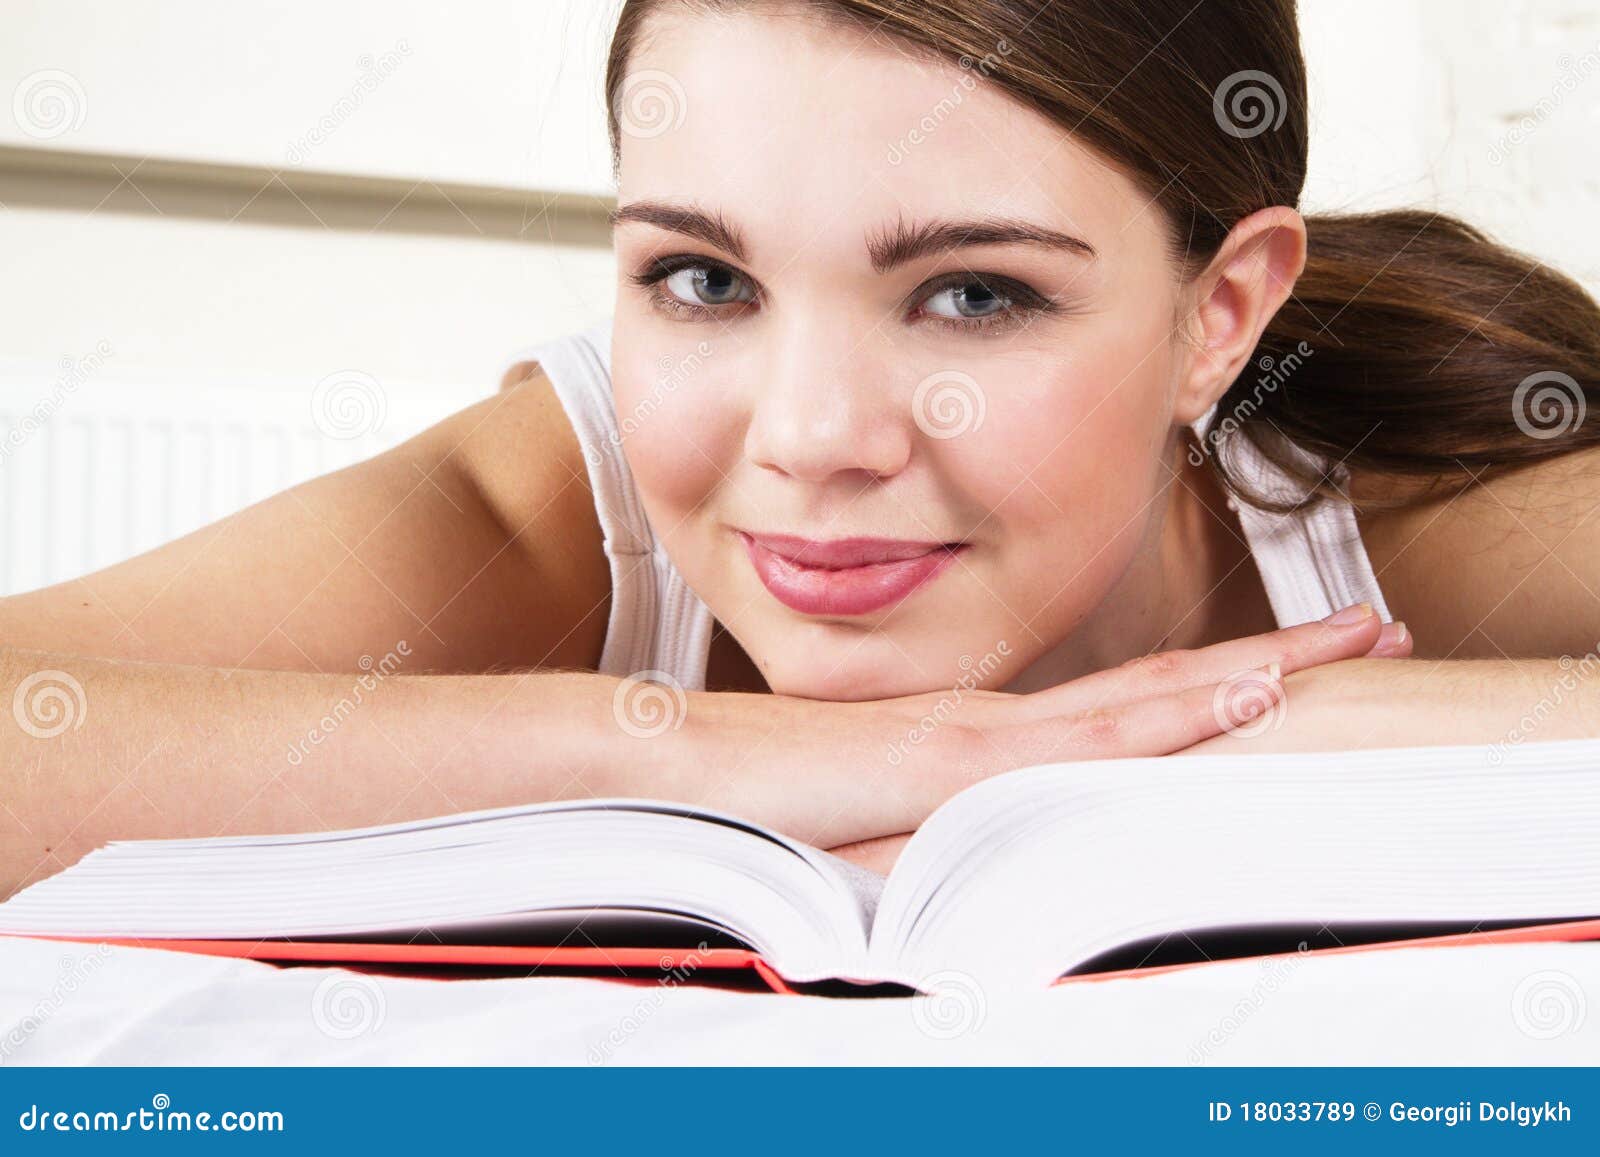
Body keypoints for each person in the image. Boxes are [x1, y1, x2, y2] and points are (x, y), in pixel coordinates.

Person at [3, 0, 1597, 892]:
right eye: (705, 279)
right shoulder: (575, 501)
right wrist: (721, 755)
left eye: (974, 293)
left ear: (1217, 318)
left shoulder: (1443, 505)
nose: (813, 436)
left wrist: (1088, 764)